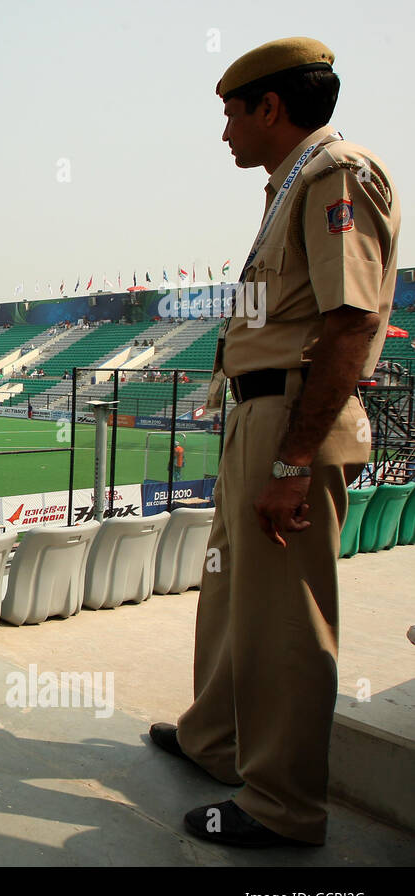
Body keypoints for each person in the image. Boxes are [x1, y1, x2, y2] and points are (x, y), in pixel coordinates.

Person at [151, 37, 400, 850]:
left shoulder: (336, 175)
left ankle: (282, 806)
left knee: (284, 621)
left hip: (292, 422)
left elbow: (352, 321)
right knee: (230, 595)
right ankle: (216, 742)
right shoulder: (290, 185)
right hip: (257, 415)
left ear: (270, 107)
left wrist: (293, 462)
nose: (223, 131)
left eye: (231, 113)